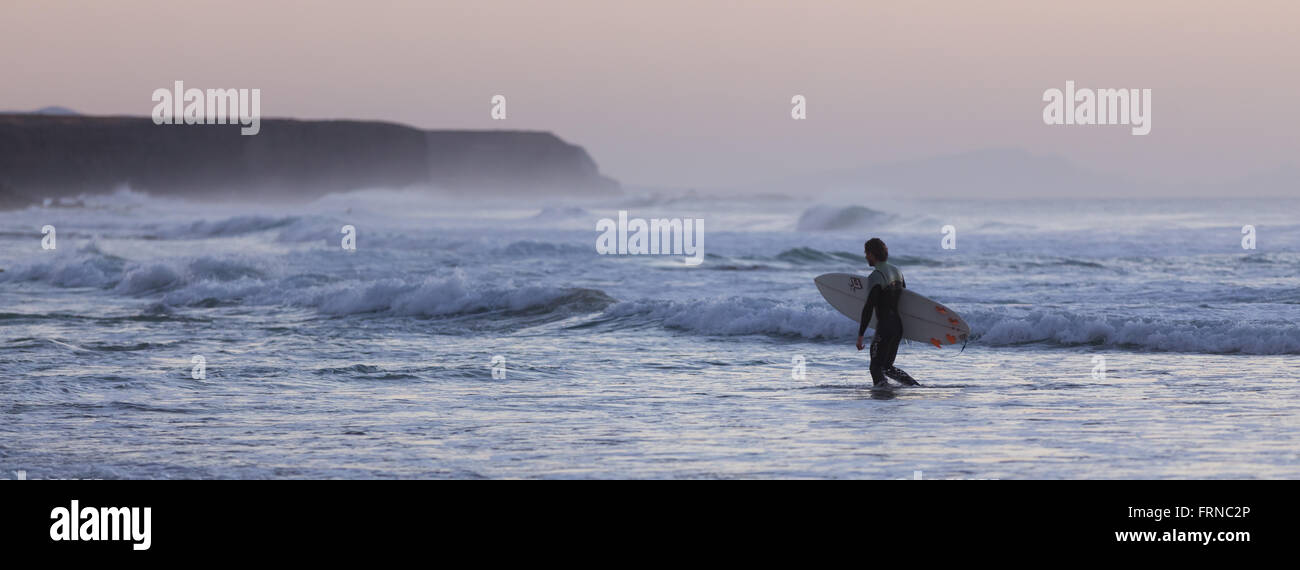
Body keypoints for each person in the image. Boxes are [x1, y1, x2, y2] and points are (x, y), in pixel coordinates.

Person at [856, 238, 919, 387]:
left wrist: (860, 335)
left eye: (866, 253)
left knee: (875, 367)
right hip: (897, 326)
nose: (865, 257)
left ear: (872, 254)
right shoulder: (898, 272)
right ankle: (915, 387)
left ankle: (882, 394)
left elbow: (868, 307)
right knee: (887, 367)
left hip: (884, 326)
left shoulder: (876, 276)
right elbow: (905, 299)